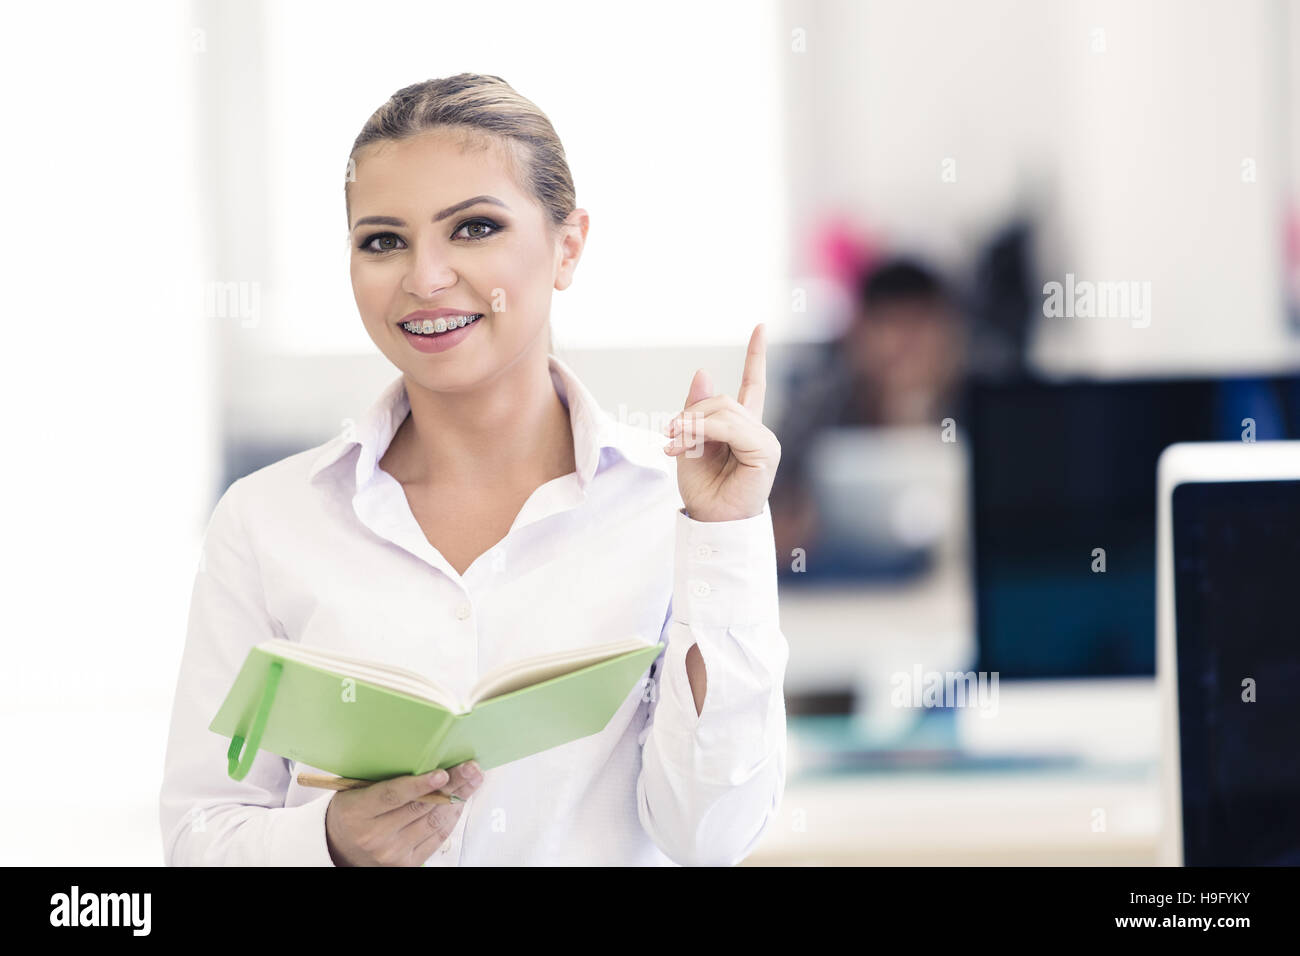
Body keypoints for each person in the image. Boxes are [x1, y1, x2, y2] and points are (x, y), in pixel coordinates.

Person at [158, 73, 789, 867]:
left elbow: (710, 836)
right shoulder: (267, 521)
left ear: (568, 247)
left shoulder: (670, 511)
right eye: (382, 240)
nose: (424, 277)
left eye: (474, 228)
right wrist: (328, 842)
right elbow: (198, 836)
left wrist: (723, 540)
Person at [769, 257, 966, 570]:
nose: (907, 346)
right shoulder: (817, 405)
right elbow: (771, 512)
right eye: (892, 324)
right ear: (858, 333)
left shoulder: (977, 407)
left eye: (920, 326)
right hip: (842, 596)